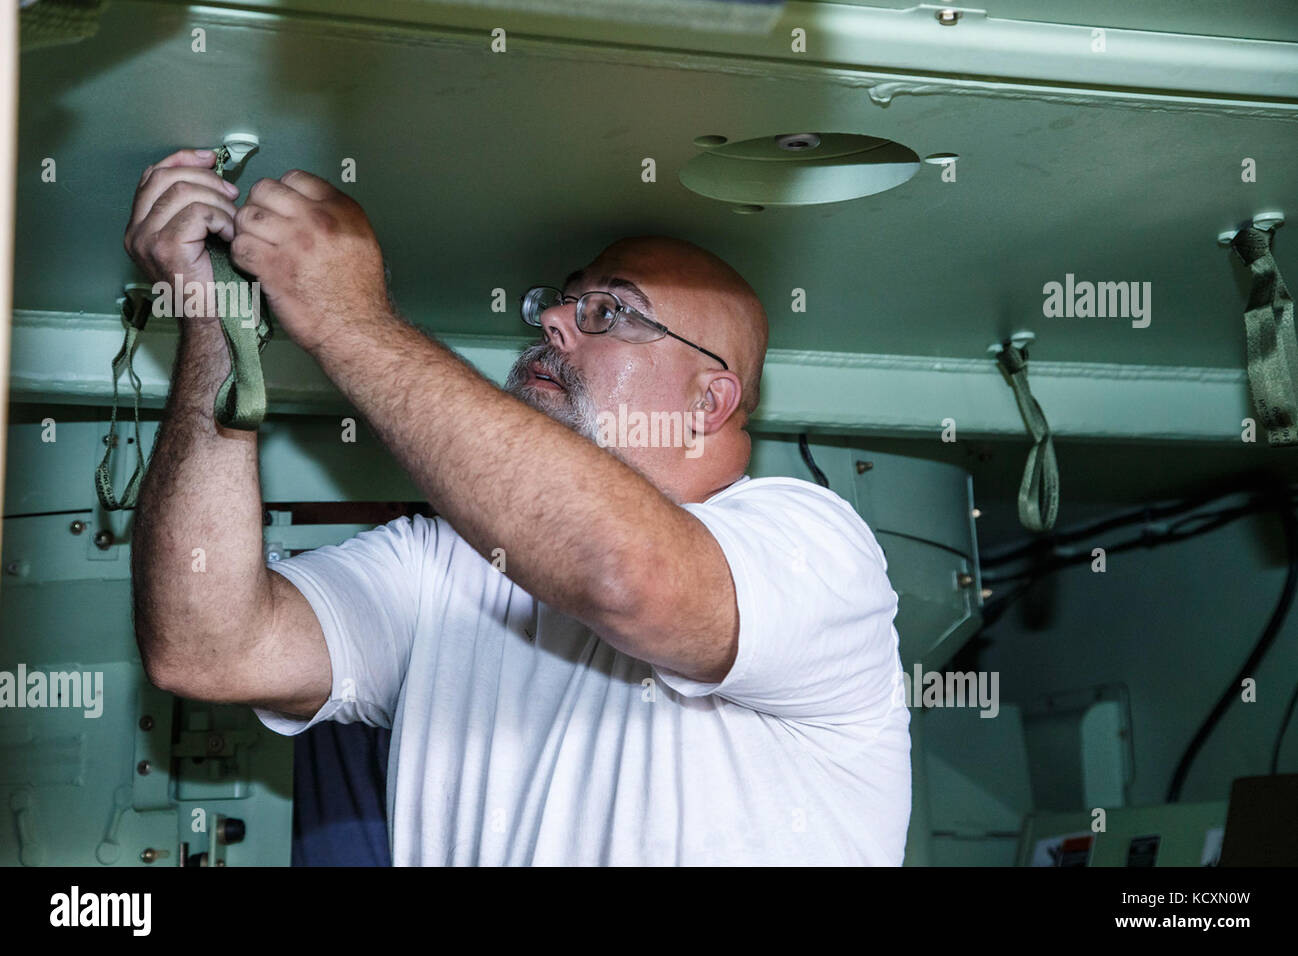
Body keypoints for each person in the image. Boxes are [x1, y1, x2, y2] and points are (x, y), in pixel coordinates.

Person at [125, 148, 912, 865]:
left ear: (710, 401)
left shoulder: (813, 545)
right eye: (563, 303)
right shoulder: (444, 568)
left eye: (609, 313)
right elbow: (208, 647)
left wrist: (347, 320)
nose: (553, 322)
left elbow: (626, 575)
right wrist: (216, 327)